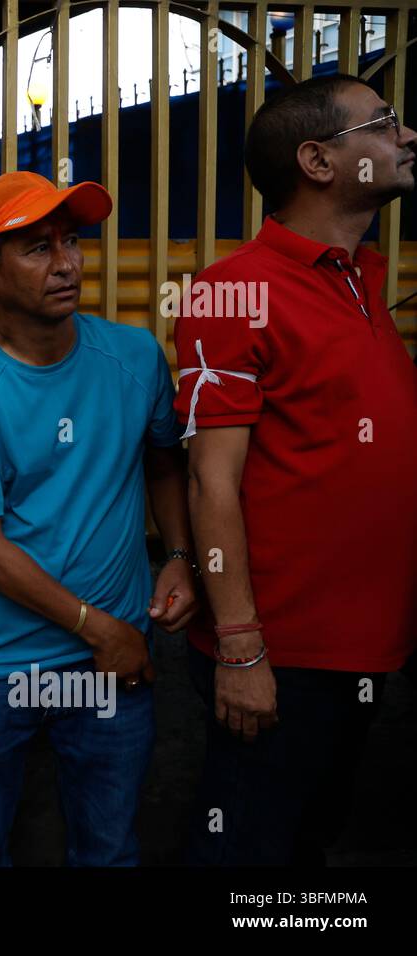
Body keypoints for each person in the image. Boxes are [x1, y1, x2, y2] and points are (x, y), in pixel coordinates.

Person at [173, 74, 417, 865]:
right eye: (383, 124)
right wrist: (242, 648)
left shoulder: (365, 280)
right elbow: (212, 481)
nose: (406, 136)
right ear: (317, 160)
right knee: (247, 855)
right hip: (283, 659)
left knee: (310, 850)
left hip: (373, 650)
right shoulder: (229, 293)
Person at [0, 171, 197, 866]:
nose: (67, 262)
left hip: (112, 666)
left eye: (70, 241)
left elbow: (165, 459)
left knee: (109, 852)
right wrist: (101, 628)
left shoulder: (135, 356)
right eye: (37, 248)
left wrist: (178, 556)